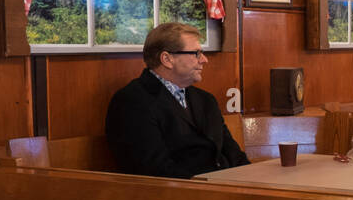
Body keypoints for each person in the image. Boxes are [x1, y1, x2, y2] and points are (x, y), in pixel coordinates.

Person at [105, 22, 249, 178]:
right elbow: (154, 170)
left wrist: (253, 181)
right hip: (179, 195)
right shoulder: (132, 102)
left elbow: (234, 155)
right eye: (196, 53)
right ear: (167, 59)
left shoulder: (206, 100)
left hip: (223, 188)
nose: (204, 60)